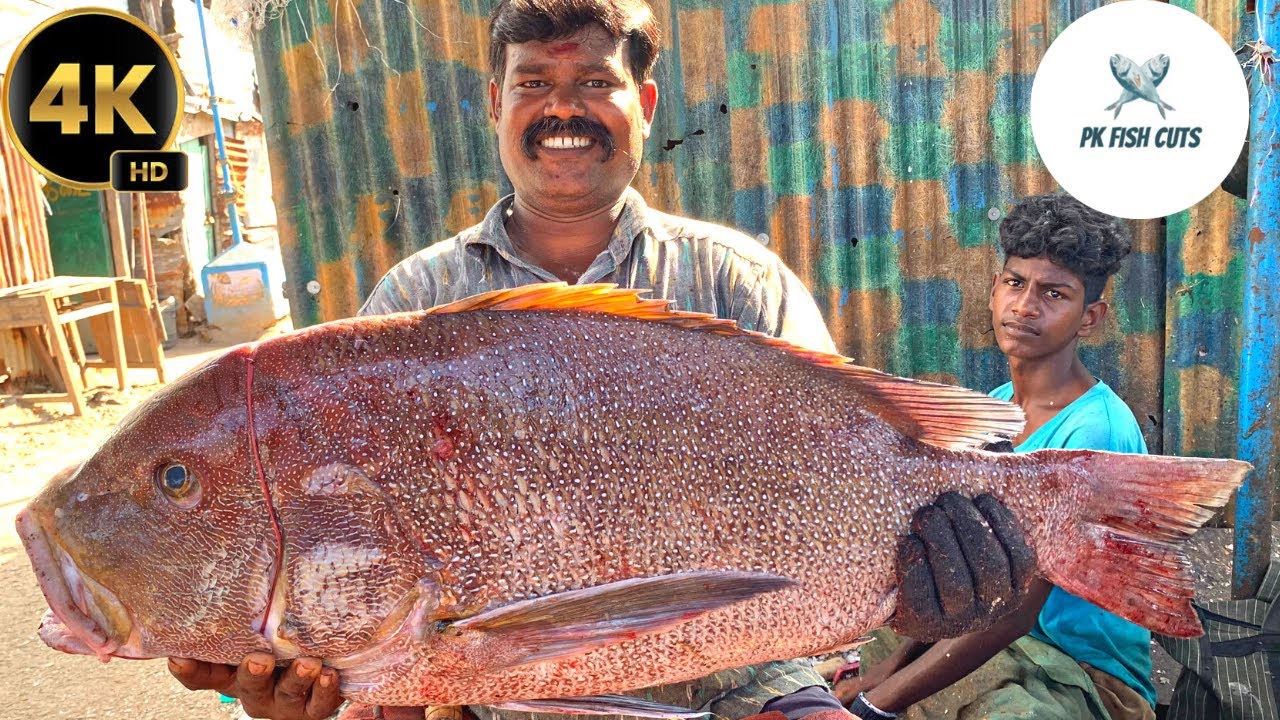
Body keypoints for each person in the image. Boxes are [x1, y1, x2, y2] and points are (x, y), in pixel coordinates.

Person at [168, 2, 1035, 718]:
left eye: (595, 83)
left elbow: (850, 468)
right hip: (489, 692)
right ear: (495, 105)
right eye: (534, 84)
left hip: (741, 676)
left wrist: (919, 578)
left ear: (646, 104)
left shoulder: (737, 280)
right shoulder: (412, 303)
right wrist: (313, 669)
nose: (563, 110)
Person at [833, 193, 1157, 720]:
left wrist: (874, 706)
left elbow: (1014, 615)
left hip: (1083, 675)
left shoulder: (1094, 431)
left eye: (1054, 293)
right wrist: (882, 675)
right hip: (992, 644)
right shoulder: (997, 410)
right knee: (852, 649)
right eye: (1014, 283)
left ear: (1090, 317)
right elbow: (973, 585)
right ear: (994, 290)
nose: (1025, 306)